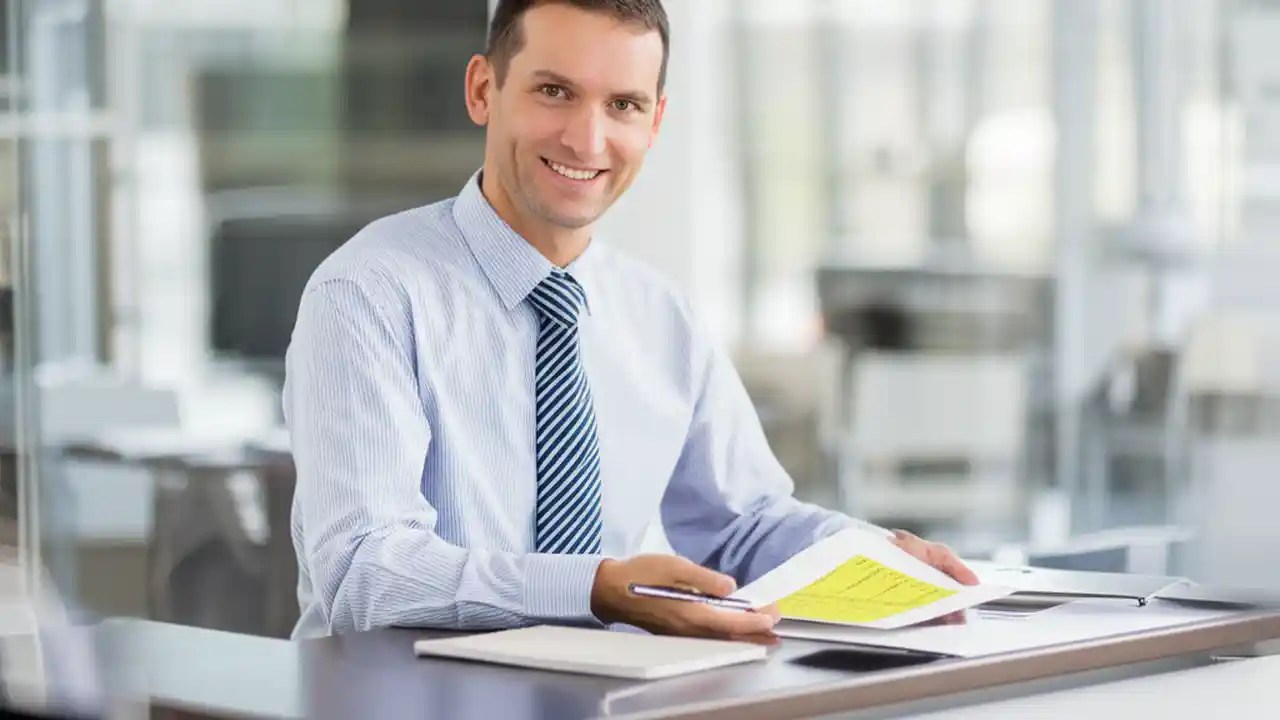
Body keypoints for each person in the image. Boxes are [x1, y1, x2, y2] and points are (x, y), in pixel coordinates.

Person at [284, 0, 978, 642]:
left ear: (655, 121)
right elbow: (363, 572)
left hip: (612, 695)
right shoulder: (368, 293)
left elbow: (746, 523)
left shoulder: (659, 314)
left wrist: (875, 557)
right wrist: (588, 589)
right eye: (554, 91)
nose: (588, 138)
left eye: (623, 104)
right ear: (482, 91)